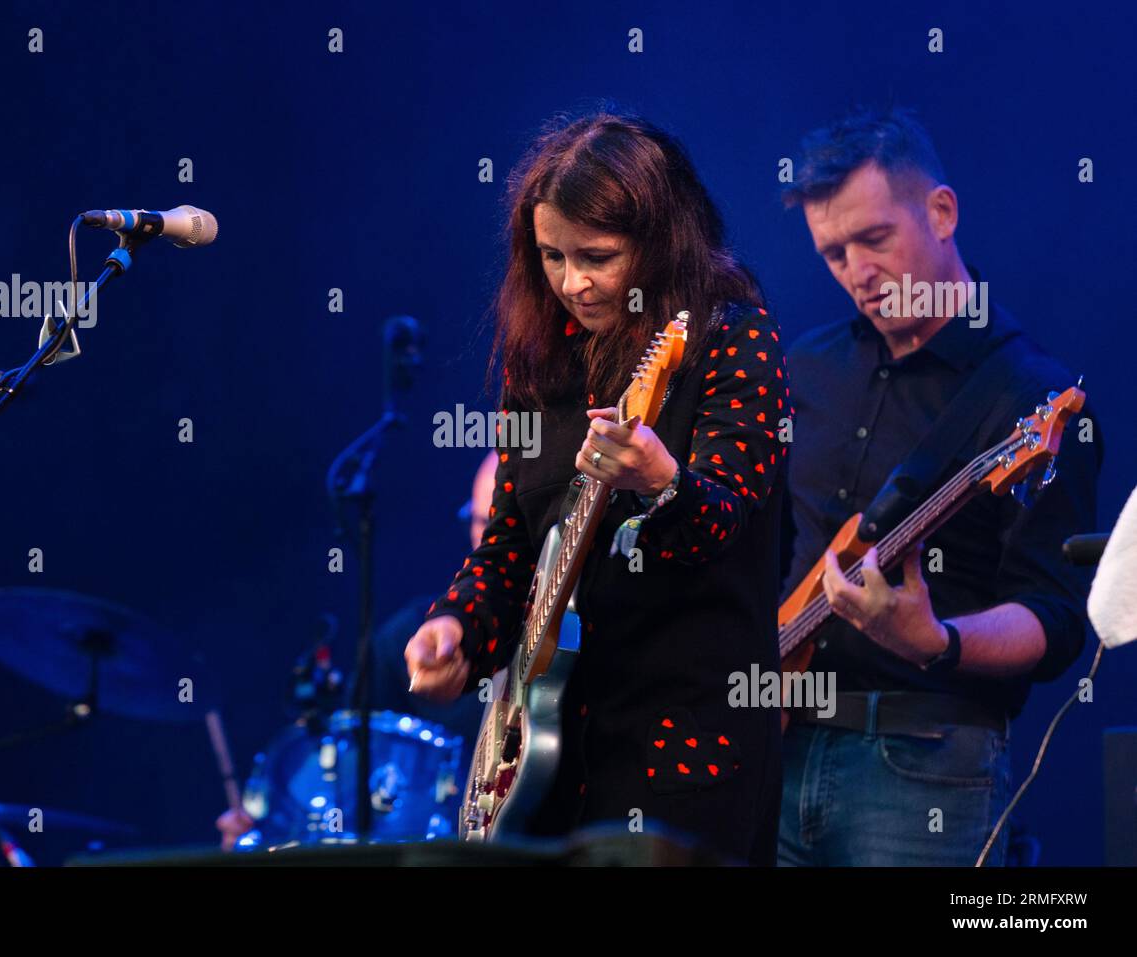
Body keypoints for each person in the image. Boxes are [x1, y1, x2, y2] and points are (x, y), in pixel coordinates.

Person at [405, 112, 792, 863]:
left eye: (598, 256)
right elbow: (514, 538)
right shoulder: (541, 362)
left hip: (684, 747)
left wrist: (663, 483)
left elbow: (731, 525)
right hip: (547, 754)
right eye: (551, 255)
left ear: (658, 242)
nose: (572, 281)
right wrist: (457, 626)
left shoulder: (731, 338)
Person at [777, 106, 1101, 866]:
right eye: (833, 253)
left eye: (875, 239)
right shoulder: (806, 368)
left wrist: (937, 641)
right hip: (780, 746)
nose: (857, 272)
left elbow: (1055, 618)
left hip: (925, 763)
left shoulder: (1033, 395)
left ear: (942, 212)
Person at [214, 454, 494, 851]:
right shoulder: (407, 636)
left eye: (509, 525)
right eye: (483, 523)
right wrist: (273, 823)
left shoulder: (584, 632)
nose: (493, 543)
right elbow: (347, 778)